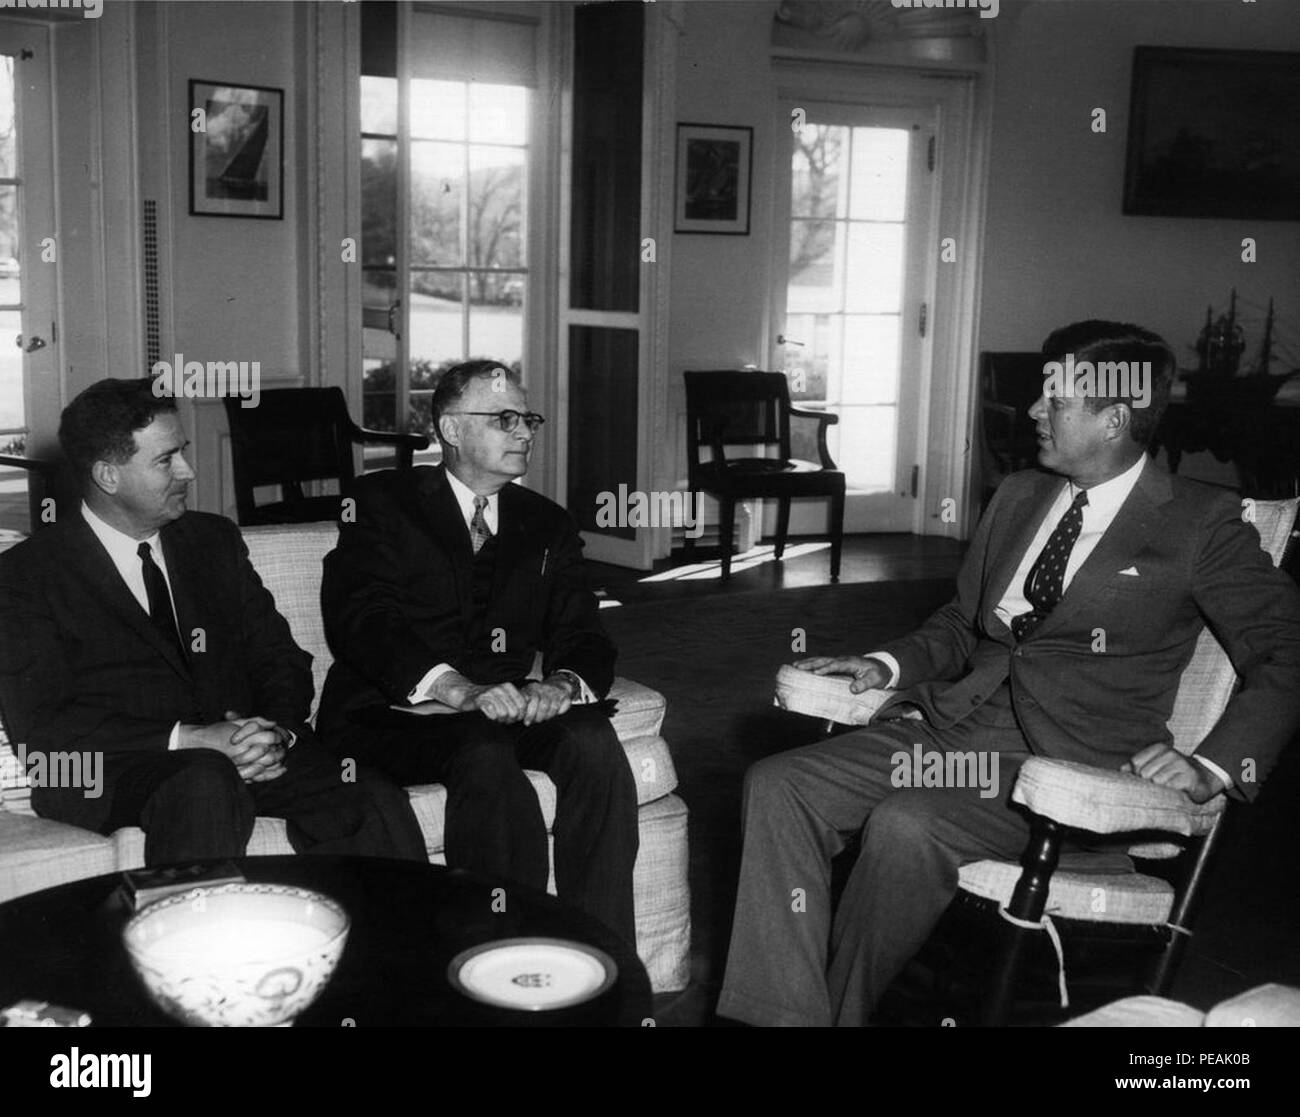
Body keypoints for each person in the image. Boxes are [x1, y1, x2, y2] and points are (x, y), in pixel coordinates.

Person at [717, 320, 1300, 1027]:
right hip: (948, 732)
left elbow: (1285, 647)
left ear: (1115, 417)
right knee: (778, 784)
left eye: (1054, 399)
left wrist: (1212, 763)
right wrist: (886, 662)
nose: (1031, 411)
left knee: (908, 826)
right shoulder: (1021, 494)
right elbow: (962, 623)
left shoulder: (1200, 521)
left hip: (1057, 764)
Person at [0, 378, 426, 867]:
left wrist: (275, 733)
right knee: (203, 778)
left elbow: (280, 658)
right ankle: (191, 939)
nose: (190, 470)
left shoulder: (212, 542)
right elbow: (44, 726)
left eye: (182, 451)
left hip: (243, 754)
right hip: (110, 772)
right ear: (107, 476)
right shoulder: (27, 576)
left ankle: (389, 937)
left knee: (363, 789)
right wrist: (192, 739)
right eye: (166, 460)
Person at [317, 359, 638, 946]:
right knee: (483, 747)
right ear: (451, 429)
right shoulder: (381, 501)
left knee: (592, 740)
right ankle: (497, 953)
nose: (526, 432)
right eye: (505, 419)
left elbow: (583, 632)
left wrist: (560, 685)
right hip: (388, 714)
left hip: (504, 706)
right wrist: (457, 689)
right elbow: (363, 619)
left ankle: (602, 955)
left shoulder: (546, 523)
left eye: (528, 419)